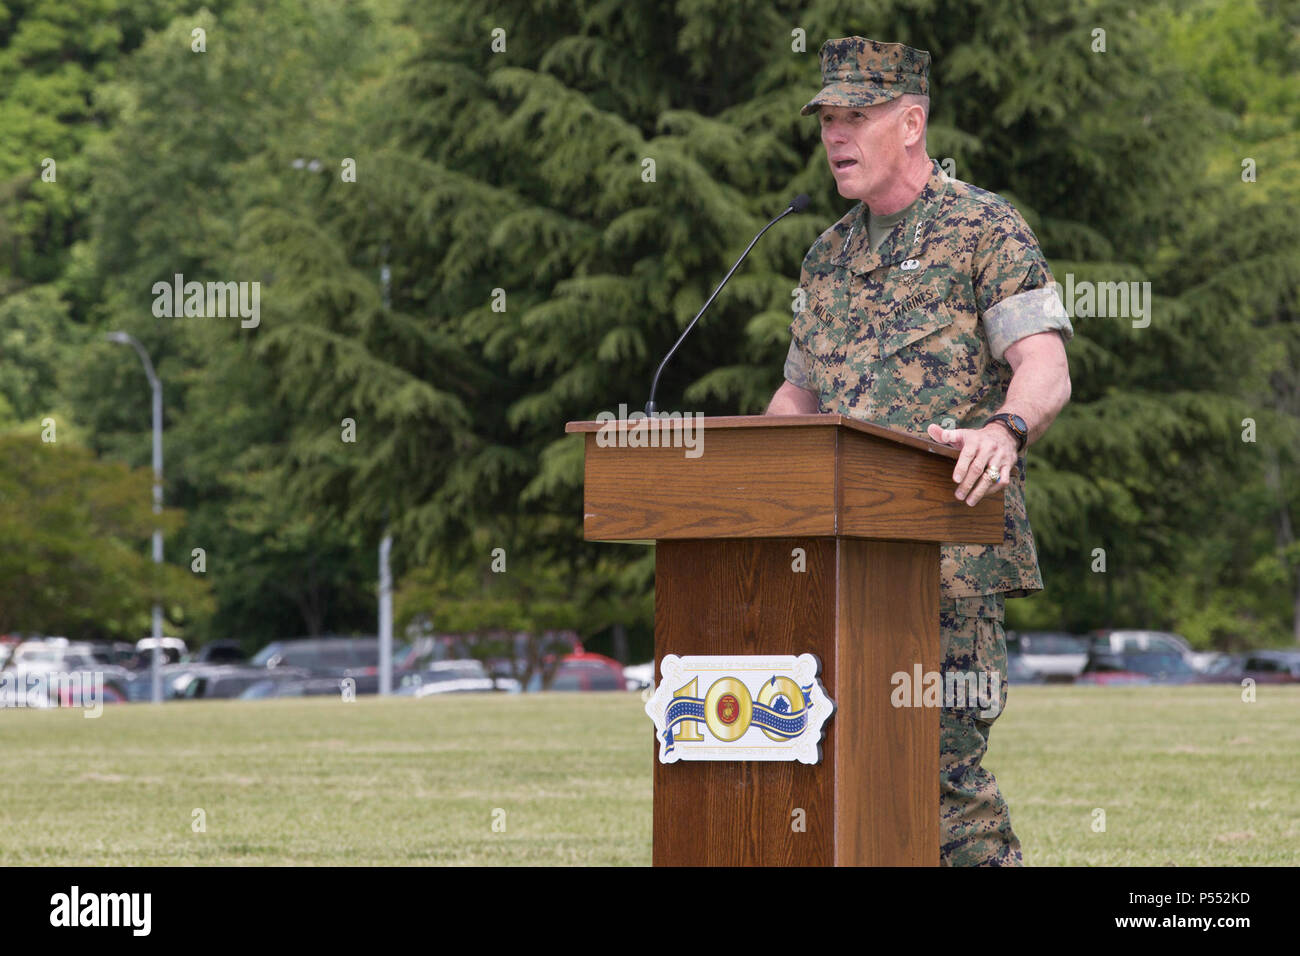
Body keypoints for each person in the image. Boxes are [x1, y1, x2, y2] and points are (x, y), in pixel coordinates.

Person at [766, 36, 1073, 866]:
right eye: (827, 116)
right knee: (830, 779)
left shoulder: (984, 227)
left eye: (855, 115)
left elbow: (1045, 366)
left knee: (941, 790)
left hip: (948, 566)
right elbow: (798, 397)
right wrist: (747, 477)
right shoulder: (825, 255)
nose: (835, 134)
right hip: (836, 567)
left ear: (911, 121)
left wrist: (1003, 429)